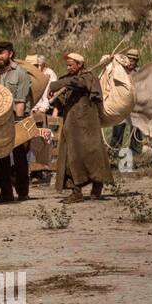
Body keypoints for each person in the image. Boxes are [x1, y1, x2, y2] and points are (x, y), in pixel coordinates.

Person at [48, 52, 114, 202]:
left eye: (72, 65)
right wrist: (55, 94)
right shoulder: (68, 79)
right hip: (71, 126)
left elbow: (80, 83)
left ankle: (97, 187)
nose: (68, 67)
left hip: (88, 125)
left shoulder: (88, 77)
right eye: (67, 65)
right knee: (70, 158)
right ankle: (76, 192)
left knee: (93, 155)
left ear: (80, 65)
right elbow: (60, 96)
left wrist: (60, 83)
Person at [0, 41, 33, 204]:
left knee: (19, 156)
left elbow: (21, 100)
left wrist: (19, 123)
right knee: (0, 156)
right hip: (1, 119)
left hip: (16, 118)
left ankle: (23, 192)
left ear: (10, 53)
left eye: (1, 53)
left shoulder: (20, 73)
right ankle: (6, 192)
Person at [107, 48, 143, 159]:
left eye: (134, 60)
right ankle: (115, 149)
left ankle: (135, 150)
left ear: (137, 61)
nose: (131, 62)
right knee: (118, 126)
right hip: (121, 104)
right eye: (130, 59)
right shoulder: (119, 71)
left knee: (137, 127)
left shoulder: (140, 73)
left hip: (136, 105)